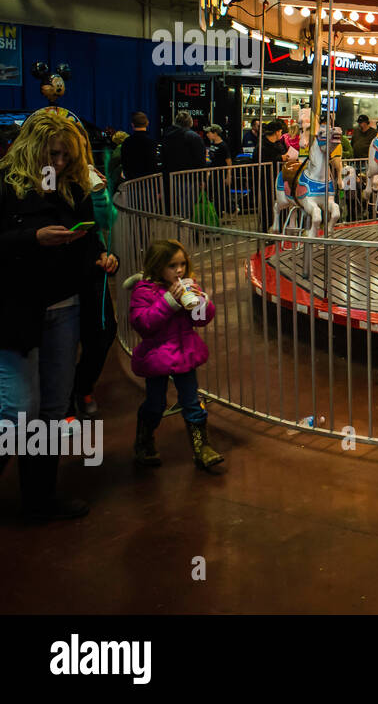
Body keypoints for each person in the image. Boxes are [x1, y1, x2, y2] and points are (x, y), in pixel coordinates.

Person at [0, 112, 118, 519]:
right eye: (53, 154)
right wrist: (33, 239)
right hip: (15, 312)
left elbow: (89, 238)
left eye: (67, 156)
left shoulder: (72, 186)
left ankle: (40, 497)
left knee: (52, 408)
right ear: (33, 148)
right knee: (17, 411)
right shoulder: (5, 184)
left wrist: (102, 258)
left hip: (65, 308)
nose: (60, 163)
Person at [124, 239, 222, 471]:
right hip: (157, 357)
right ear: (157, 266)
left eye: (182, 264)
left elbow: (199, 320)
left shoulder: (187, 286)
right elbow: (143, 324)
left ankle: (201, 448)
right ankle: (144, 441)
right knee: (155, 403)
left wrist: (201, 303)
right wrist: (169, 301)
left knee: (192, 402)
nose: (179, 270)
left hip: (184, 353)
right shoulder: (144, 291)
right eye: (172, 265)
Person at [160, 111, 206, 214]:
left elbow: (163, 158)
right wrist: (202, 178)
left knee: (173, 208)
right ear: (190, 123)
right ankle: (186, 228)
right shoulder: (194, 137)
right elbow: (200, 160)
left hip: (170, 177)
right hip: (189, 178)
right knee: (187, 208)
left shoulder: (166, 136)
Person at [257, 119, 288, 232]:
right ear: (277, 132)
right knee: (268, 204)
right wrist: (280, 158)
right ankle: (269, 228)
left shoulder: (278, 144)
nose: (281, 134)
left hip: (279, 179)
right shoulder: (262, 146)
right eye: (280, 132)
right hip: (266, 180)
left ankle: (282, 226)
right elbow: (262, 160)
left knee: (282, 202)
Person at [119, 111, 157, 182]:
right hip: (149, 186)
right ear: (147, 123)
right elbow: (153, 166)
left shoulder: (126, 142)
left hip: (131, 186)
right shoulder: (152, 142)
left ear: (132, 125)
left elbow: (124, 165)